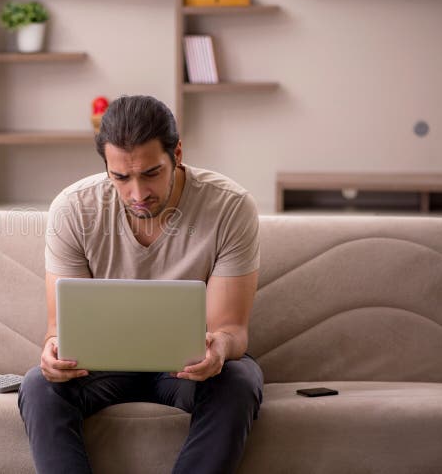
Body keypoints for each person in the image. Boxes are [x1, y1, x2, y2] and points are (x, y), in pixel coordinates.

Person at [17, 95, 263, 474]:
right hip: (100, 369)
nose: (137, 194)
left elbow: (230, 330)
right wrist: (53, 352)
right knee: (38, 385)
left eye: (151, 173)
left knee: (239, 379)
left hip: (187, 370)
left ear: (177, 153)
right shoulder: (73, 209)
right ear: (106, 167)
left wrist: (219, 348)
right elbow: (58, 330)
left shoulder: (229, 207)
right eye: (121, 177)